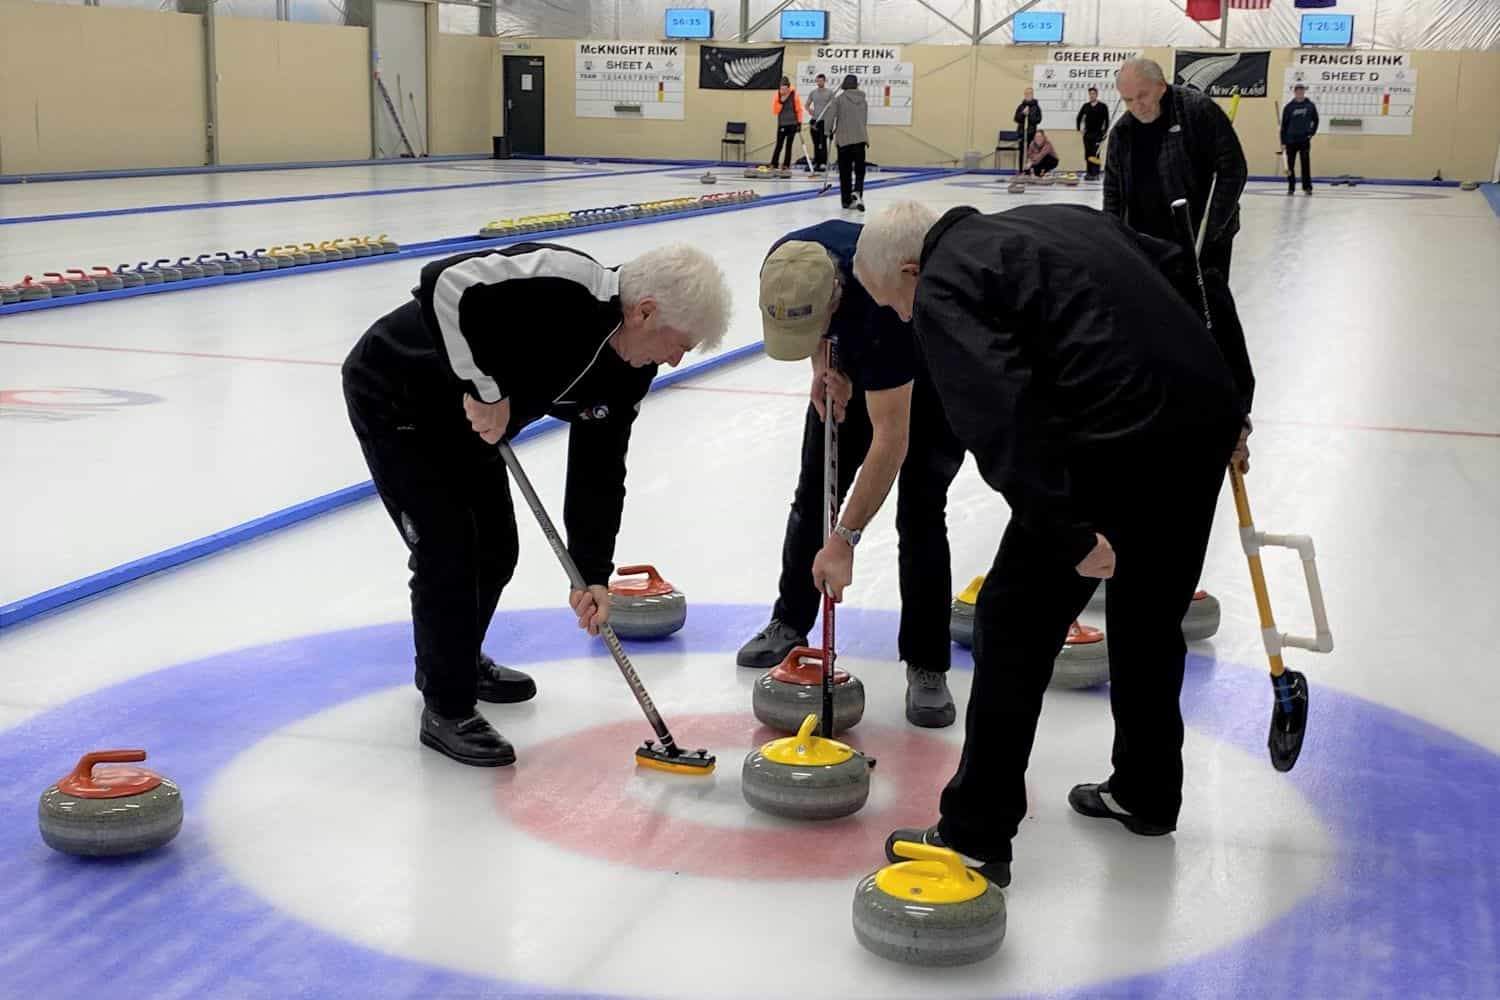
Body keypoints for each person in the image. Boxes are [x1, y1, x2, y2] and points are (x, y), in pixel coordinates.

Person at [853, 200, 1251, 887]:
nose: (903, 319)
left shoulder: (945, 283)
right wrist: (1234, 398)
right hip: (1198, 426)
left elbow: (998, 409)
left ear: (913, 269)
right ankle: (1147, 790)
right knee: (1151, 615)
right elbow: (1196, 274)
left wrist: (1064, 528)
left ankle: (975, 833)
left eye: (896, 304)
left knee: (1011, 627)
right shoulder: (1057, 219)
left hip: (1114, 438)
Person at [341, 242, 732, 767]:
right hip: (398, 396)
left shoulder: (631, 370)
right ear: (644, 312)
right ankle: (446, 708)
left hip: (471, 426)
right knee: (448, 550)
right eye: (677, 343)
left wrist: (592, 572)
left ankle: (452, 661)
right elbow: (443, 282)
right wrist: (483, 388)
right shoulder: (566, 285)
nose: (675, 359)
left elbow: (599, 469)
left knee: (497, 550)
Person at [736, 220, 965, 728]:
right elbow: (819, 326)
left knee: (921, 513)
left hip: (929, 380)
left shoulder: (881, 303)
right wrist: (824, 368)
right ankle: (789, 619)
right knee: (814, 492)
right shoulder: (788, 262)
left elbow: (892, 440)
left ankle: (927, 663)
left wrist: (845, 539)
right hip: (863, 358)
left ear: (837, 294)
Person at [827, 74, 870, 211]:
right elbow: (864, 120)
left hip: (844, 140)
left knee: (845, 172)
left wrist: (828, 131)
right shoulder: (863, 100)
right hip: (860, 139)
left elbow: (830, 117)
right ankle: (857, 192)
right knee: (859, 170)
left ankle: (846, 201)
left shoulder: (839, 99)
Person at [1280, 83, 1319, 196]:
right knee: (1290, 166)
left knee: (1305, 164)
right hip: (1290, 140)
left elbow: (1316, 120)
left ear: (1304, 92)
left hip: (1304, 140)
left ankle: (1307, 187)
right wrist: (1283, 142)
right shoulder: (1289, 107)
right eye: (1298, 91)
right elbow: (1283, 126)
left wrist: (1311, 133)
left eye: (1302, 91)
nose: (1300, 93)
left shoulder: (1310, 106)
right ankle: (1291, 187)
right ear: (1295, 92)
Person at [769, 76, 804, 175]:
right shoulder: (777, 96)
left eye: (785, 88)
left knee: (789, 145)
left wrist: (799, 122)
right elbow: (775, 111)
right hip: (782, 124)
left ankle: (786, 164)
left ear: (788, 87)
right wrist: (781, 101)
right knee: (779, 145)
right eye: (781, 88)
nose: (783, 90)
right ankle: (774, 163)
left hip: (792, 124)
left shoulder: (794, 95)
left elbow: (799, 110)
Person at [1075, 85, 1109, 179]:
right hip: (1087, 134)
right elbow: (1079, 118)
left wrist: (1105, 131)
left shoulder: (1103, 106)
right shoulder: (1085, 106)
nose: (1092, 95)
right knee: (1088, 154)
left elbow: (1107, 120)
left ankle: (1096, 173)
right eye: (1090, 94)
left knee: (1095, 154)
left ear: (1096, 95)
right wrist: (1079, 129)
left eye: (1093, 94)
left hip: (1098, 134)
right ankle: (1089, 173)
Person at [807, 73, 834, 172]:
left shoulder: (829, 93)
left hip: (825, 121)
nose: (819, 82)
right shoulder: (813, 92)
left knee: (823, 143)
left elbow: (833, 106)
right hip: (815, 120)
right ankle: (817, 161)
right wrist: (809, 110)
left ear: (824, 81)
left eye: (821, 81)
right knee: (816, 143)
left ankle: (823, 162)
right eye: (818, 81)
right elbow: (807, 104)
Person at [1013, 86, 1043, 171]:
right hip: (1022, 133)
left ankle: (1029, 171)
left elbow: (1039, 120)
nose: (1028, 95)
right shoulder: (1021, 106)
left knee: (1031, 153)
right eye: (1026, 93)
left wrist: (1029, 115)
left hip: (1031, 133)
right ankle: (1021, 170)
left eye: (1030, 93)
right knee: (1022, 152)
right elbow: (1016, 119)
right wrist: (1023, 114)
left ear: (1032, 95)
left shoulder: (1036, 107)